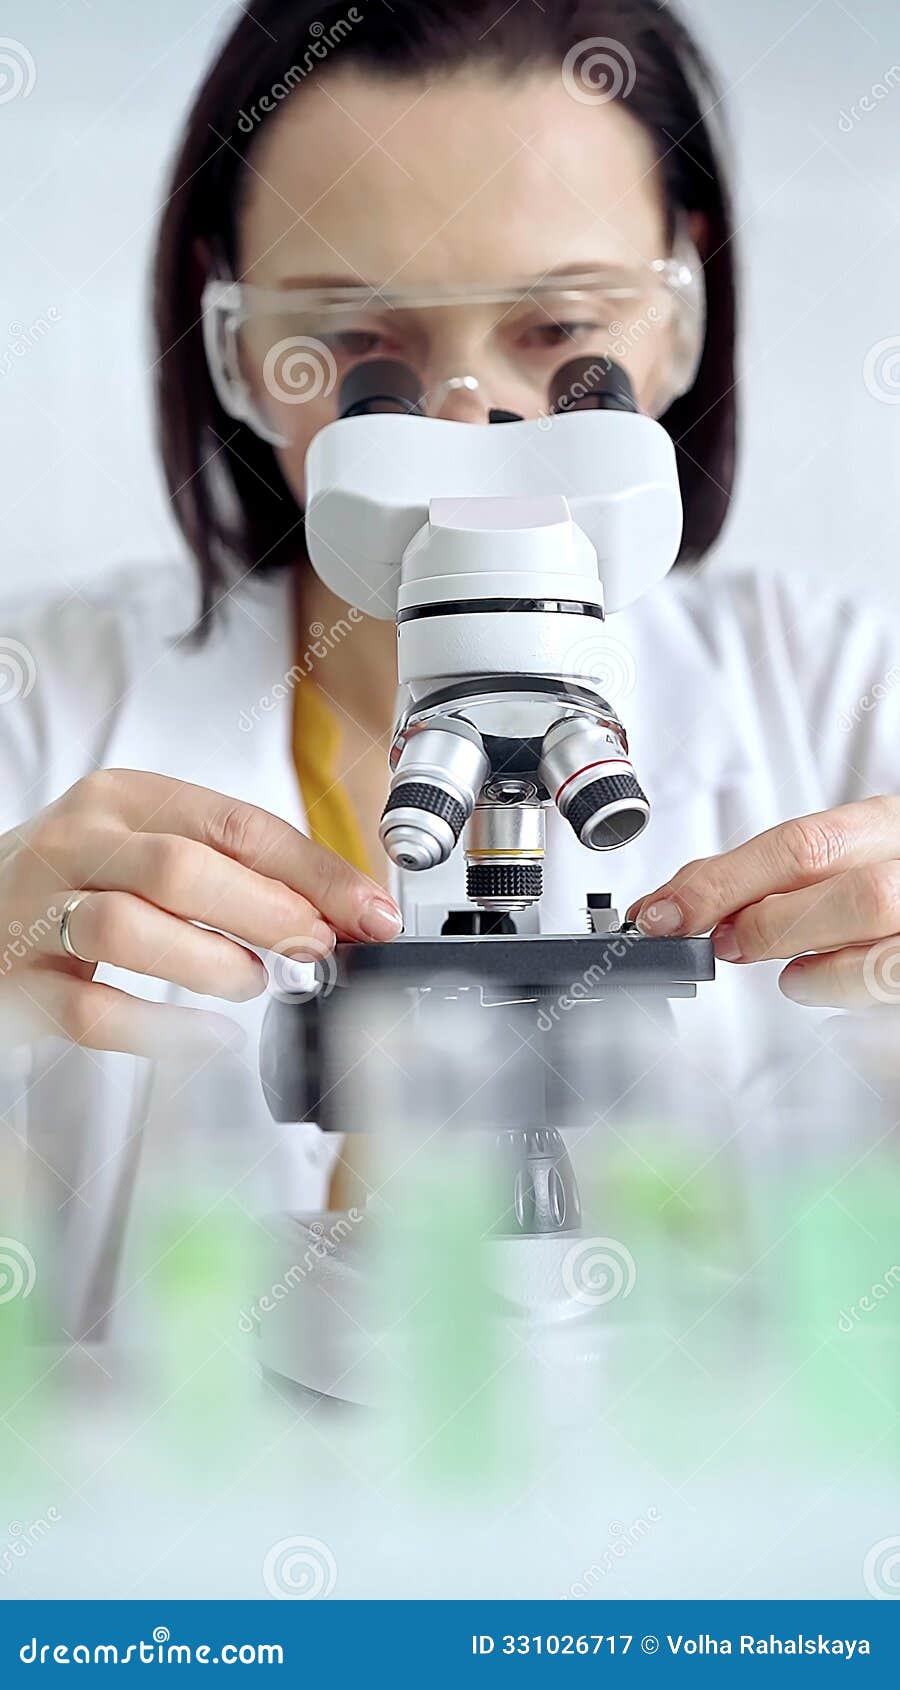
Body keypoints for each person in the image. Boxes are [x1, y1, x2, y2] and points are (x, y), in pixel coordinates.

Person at [2, 0, 899, 1334]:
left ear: (681, 309)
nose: (472, 418)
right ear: (236, 340)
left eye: (561, 338)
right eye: (364, 351)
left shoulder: (846, 687)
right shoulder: (38, 699)